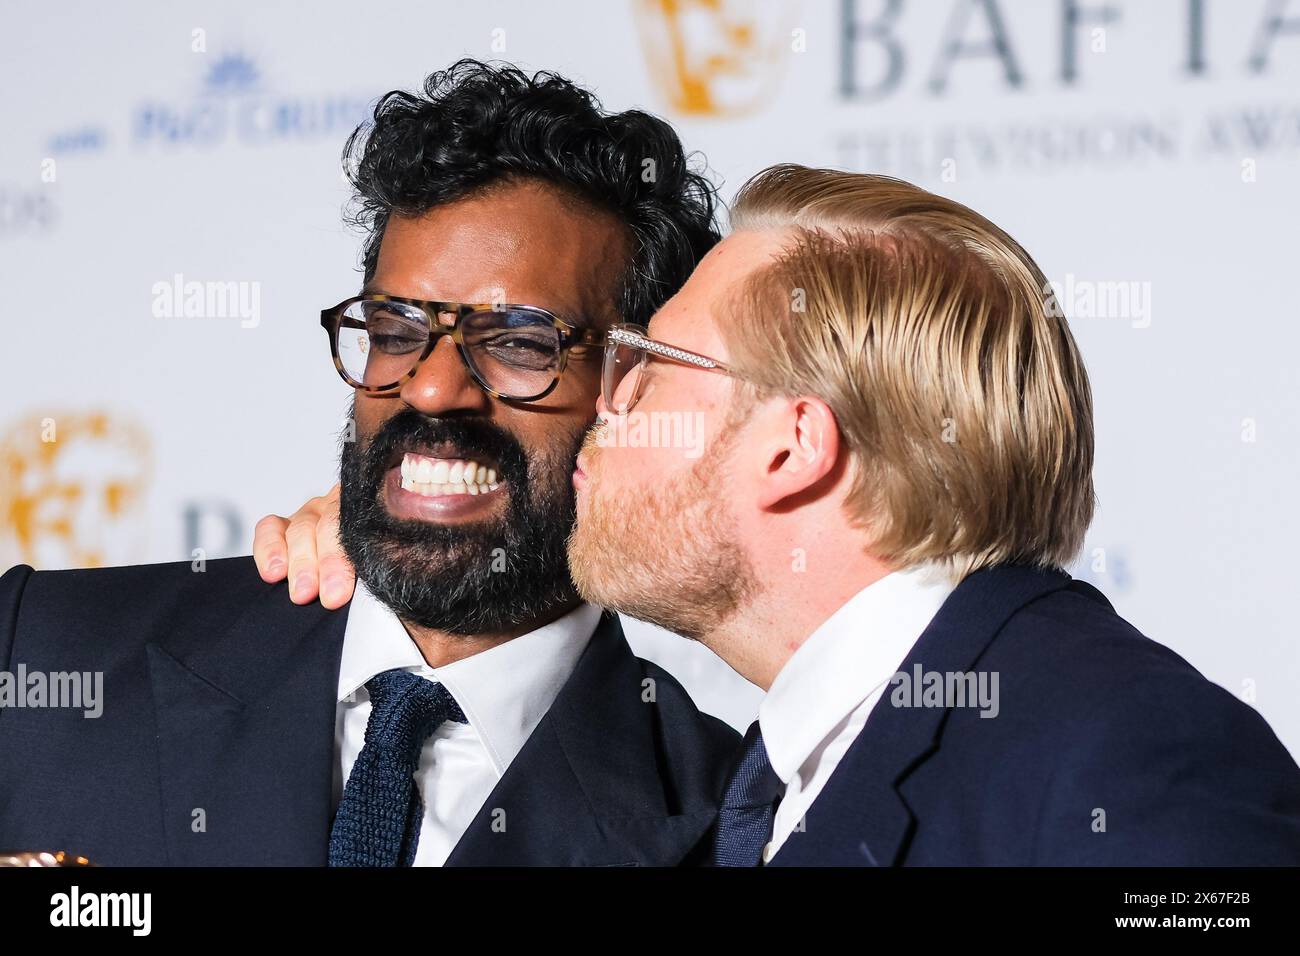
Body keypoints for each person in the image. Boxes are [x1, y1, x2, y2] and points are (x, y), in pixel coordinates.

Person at [272, 164, 1300, 865]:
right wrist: (421, 549)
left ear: (792, 446)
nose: (602, 412)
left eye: (647, 370)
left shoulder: (1129, 759)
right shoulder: (772, 777)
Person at [0, 60, 738, 867]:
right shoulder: (42, 658)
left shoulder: (735, 826)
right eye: (395, 330)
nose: (428, 388)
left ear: (636, 391)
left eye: (521, 343)